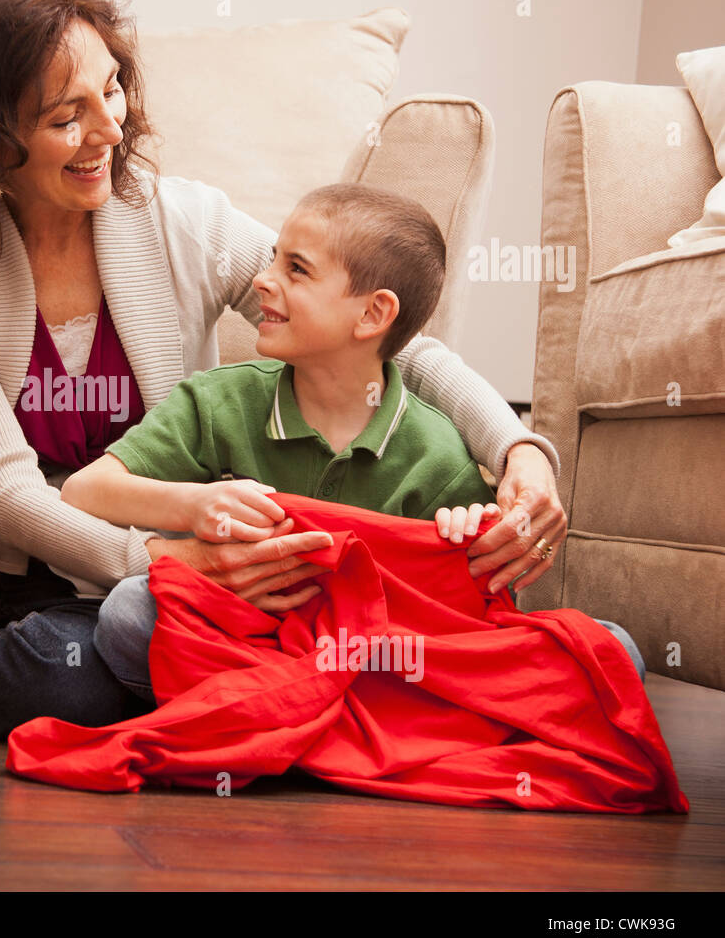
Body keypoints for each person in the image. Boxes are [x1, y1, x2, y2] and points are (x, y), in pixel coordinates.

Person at [0, 0, 572, 740]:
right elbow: (6, 494)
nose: (109, 130)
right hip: (15, 562)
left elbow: (375, 339)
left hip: (123, 589)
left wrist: (519, 449)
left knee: (78, 678)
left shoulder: (186, 223)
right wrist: (164, 556)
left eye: (111, 90)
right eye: (66, 117)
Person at [61, 183, 646, 701]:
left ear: (373, 315)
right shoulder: (218, 403)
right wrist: (194, 505)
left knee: (614, 649)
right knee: (130, 612)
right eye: (272, 259)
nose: (262, 279)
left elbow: (469, 616)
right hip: (254, 641)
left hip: (377, 660)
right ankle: (338, 716)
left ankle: (305, 713)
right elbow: (87, 491)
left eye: (297, 269)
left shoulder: (437, 452)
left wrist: (469, 535)